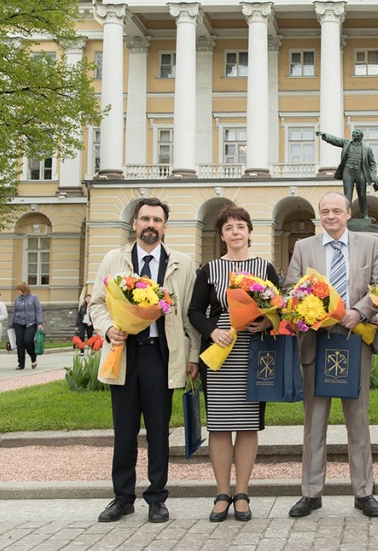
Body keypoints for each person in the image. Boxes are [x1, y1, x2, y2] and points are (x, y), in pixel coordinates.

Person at [90, 197, 201, 524]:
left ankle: (156, 497)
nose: (150, 224)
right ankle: (122, 497)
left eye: (157, 219)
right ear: (135, 224)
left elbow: (190, 317)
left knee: (158, 430)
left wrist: (193, 355)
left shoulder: (182, 264)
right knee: (124, 432)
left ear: (165, 226)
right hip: (124, 353)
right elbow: (97, 303)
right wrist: (109, 328)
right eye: (145, 219)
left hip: (161, 354)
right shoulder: (114, 259)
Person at [284, 191, 378, 518]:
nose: (331, 216)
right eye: (325, 211)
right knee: (314, 422)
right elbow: (290, 289)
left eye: (336, 211)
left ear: (347, 213)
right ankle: (311, 493)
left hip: (354, 340)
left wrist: (359, 311)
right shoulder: (304, 247)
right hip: (317, 341)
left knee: (357, 421)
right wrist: (310, 311)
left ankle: (364, 492)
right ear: (320, 216)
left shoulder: (369, 244)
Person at [189, 206, 280, 523]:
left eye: (241, 226)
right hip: (219, 355)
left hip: (252, 353)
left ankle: (242, 493)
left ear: (250, 232)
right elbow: (195, 312)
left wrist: (267, 323)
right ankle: (221, 493)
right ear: (222, 235)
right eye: (229, 228)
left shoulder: (264, 267)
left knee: (247, 424)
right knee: (219, 424)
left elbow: (280, 308)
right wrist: (212, 331)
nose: (236, 232)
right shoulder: (209, 270)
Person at [317, 129, 378, 219]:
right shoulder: (346, 143)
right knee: (347, 196)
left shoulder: (367, 148)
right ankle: (347, 216)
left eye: (356, 133)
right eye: (353, 133)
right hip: (348, 171)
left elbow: (372, 164)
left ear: (360, 136)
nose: (353, 134)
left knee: (362, 195)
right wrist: (325, 136)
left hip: (360, 172)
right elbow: (336, 140)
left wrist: (374, 176)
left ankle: (364, 215)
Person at [10, 283, 43, 370]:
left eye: (19, 290)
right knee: (19, 343)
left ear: (24, 289)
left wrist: (39, 323)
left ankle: (33, 357)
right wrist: (11, 323)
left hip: (31, 323)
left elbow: (38, 310)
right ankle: (21, 363)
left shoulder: (34, 297)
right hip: (19, 322)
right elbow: (14, 311)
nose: (18, 292)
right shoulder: (17, 299)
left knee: (28, 341)